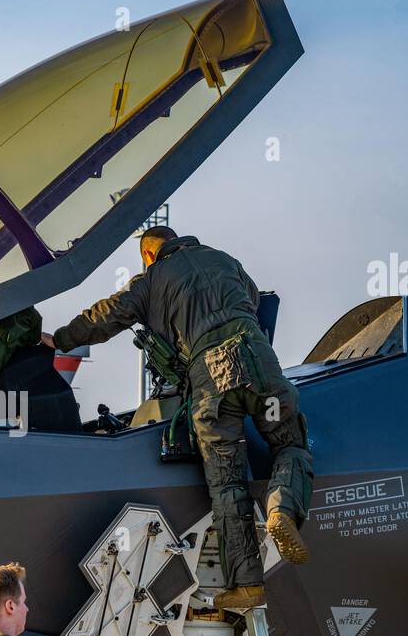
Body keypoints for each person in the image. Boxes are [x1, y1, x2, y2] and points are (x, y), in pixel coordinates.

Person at [41, 227, 312, 610]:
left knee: (226, 482)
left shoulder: (151, 279)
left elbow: (109, 315)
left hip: (210, 376)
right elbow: (251, 300)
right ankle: (281, 509)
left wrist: (63, 339)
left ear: (149, 255)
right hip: (259, 359)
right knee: (290, 443)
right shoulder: (223, 258)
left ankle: (248, 585)